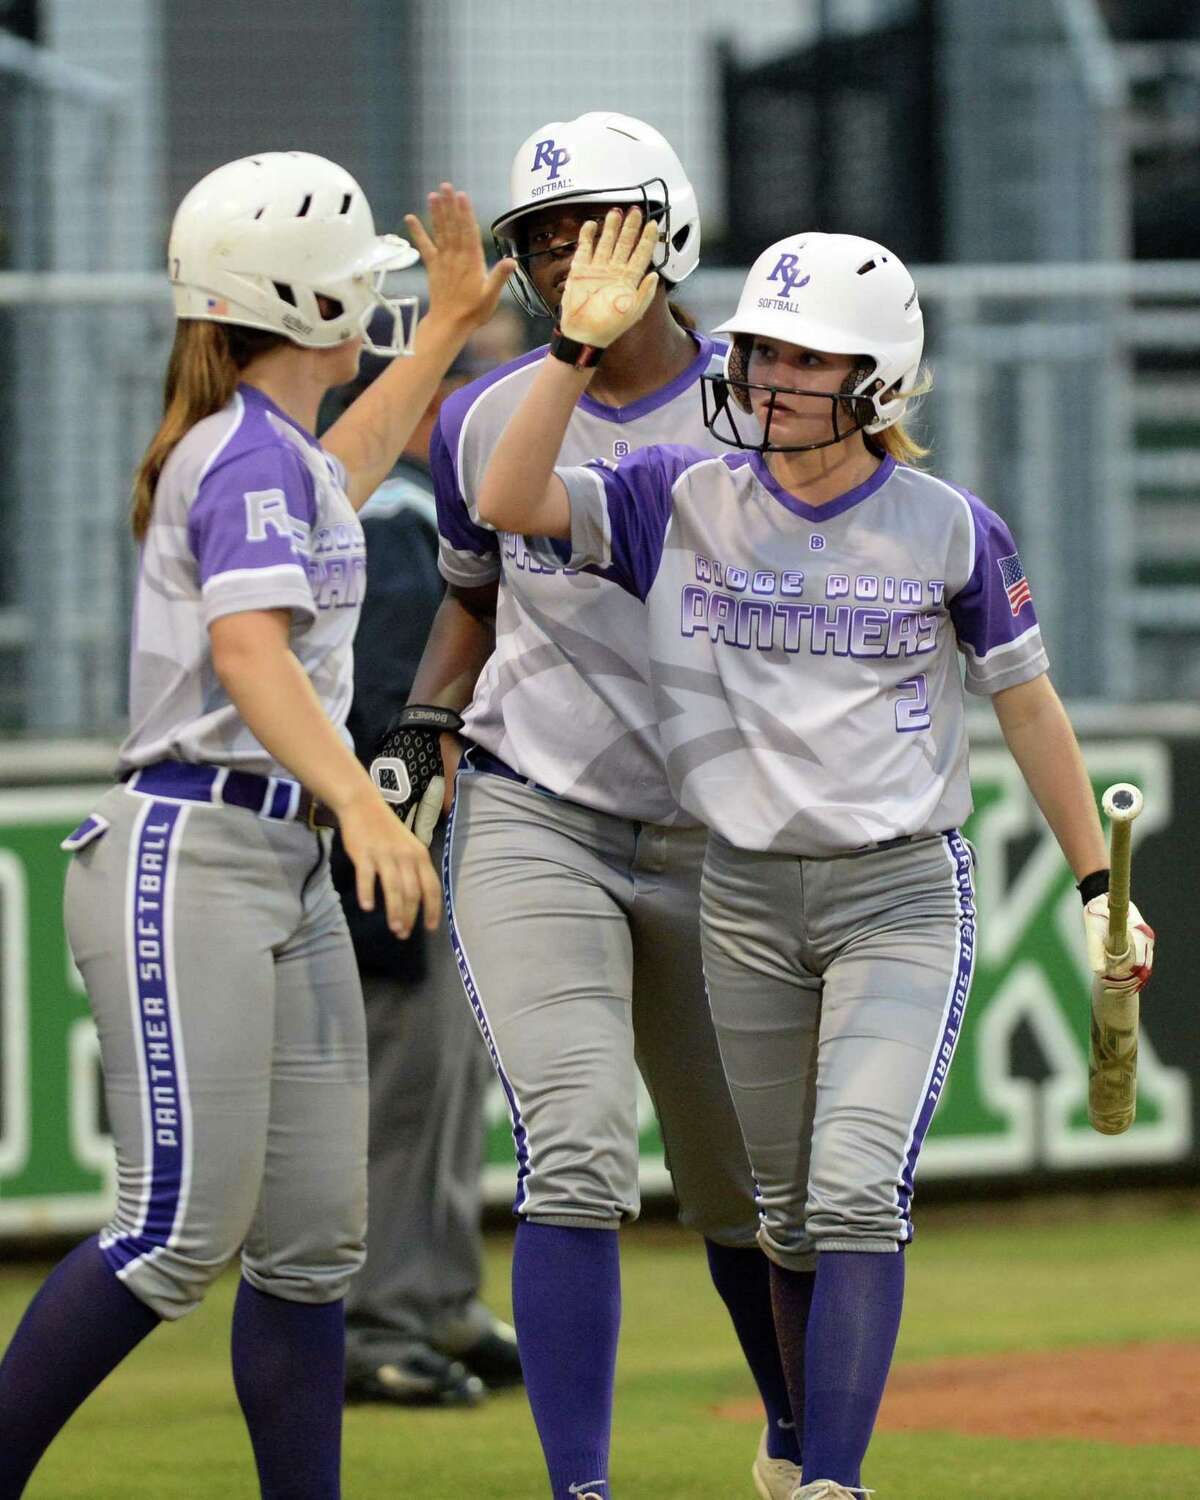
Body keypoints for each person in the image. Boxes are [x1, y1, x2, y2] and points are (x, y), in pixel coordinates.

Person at [475, 211, 1158, 1500]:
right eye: (761, 353)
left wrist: (1092, 890)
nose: (767, 378)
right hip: (737, 898)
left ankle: (835, 1484)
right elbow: (506, 499)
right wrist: (573, 348)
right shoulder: (674, 498)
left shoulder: (954, 529)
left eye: (803, 360)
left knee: (852, 1192)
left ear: (878, 381)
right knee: (782, 1210)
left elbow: (1028, 704)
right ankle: (794, 1464)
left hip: (899, 895)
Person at [0, 153, 511, 1500]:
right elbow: (249, 654)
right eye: (360, 289)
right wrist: (363, 805)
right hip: (194, 850)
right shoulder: (238, 454)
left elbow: (345, 470)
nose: (372, 307)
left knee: (310, 1252)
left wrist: (452, 323)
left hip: (272, 862)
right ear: (301, 298)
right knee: (173, 1235)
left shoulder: (273, 452)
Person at [375, 112, 801, 1500]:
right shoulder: (487, 413)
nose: (567, 255)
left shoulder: (772, 388)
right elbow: (469, 597)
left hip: (721, 826)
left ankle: (802, 1438)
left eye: (598, 225)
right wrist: (427, 724)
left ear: (667, 230)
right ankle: (581, 1491)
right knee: (572, 1143)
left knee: (742, 1191)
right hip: (539, 807)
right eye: (545, 237)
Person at [320, 317, 527, 1408]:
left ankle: (438, 1296)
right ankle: (375, 1322)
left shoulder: (417, 514)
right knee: (401, 1093)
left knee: (448, 1082)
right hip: (386, 850)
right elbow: (396, 711)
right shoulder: (387, 523)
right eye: (464, 376)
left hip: (439, 849)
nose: (485, 395)